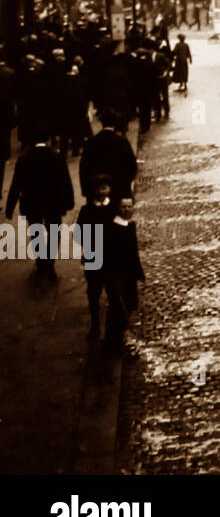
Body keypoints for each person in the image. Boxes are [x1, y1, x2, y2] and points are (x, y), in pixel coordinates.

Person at [77, 173, 145, 355]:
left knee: (114, 294)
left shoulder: (114, 210)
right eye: (98, 188)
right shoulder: (86, 211)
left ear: (109, 189)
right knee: (93, 292)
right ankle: (94, 323)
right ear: (92, 191)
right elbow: (78, 235)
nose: (102, 191)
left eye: (105, 187)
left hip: (111, 260)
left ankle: (114, 334)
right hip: (93, 257)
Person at [5, 130, 75, 278]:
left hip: (32, 203)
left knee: (36, 232)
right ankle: (50, 261)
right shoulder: (57, 158)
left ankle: (40, 261)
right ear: (49, 139)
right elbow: (66, 182)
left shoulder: (24, 159)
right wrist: (69, 201)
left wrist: (9, 208)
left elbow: (16, 185)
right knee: (54, 232)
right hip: (54, 203)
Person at [79, 114, 137, 203]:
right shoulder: (122, 141)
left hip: (97, 193)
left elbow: (84, 169)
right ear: (114, 125)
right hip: (119, 191)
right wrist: (126, 185)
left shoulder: (91, 143)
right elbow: (132, 167)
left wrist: (87, 192)